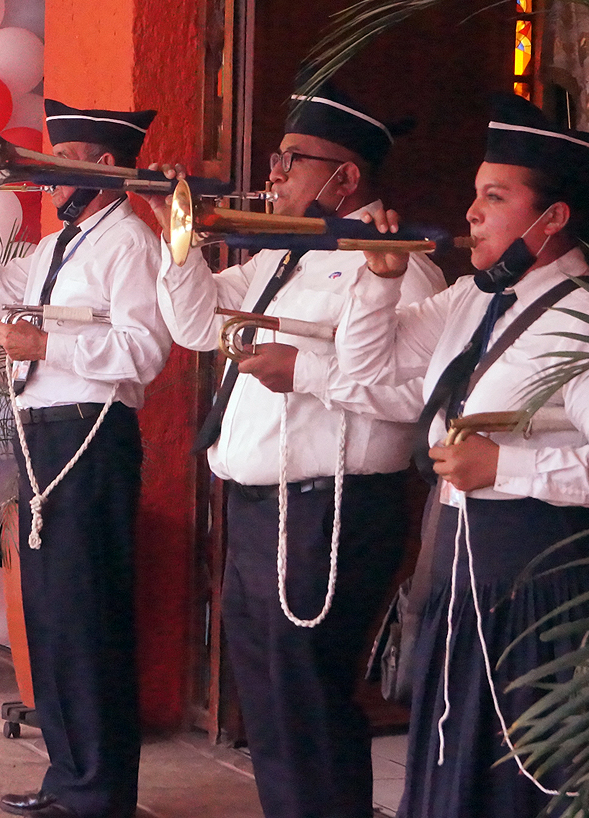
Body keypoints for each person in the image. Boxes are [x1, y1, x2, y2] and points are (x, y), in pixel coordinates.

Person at [334, 94, 589, 818]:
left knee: (518, 780)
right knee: (454, 766)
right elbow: (362, 372)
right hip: (461, 570)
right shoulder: (466, 300)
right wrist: (380, 279)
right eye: (476, 193)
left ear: (552, 219)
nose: (473, 211)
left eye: (495, 195)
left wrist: (507, 468)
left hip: (544, 588)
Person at [143, 78, 443, 818]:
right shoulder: (290, 255)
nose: (272, 173)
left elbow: (415, 399)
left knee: (307, 698)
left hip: (328, 509)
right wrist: (175, 238)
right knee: (270, 703)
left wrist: (304, 371)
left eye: (291, 159)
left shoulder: (399, 263)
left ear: (344, 179)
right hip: (261, 507)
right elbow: (194, 324)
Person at [0, 99, 173, 818]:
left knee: (88, 616)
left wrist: (48, 347)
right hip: (45, 432)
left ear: (103, 167)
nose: (44, 180)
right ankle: (69, 777)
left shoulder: (130, 241)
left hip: (89, 434)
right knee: (54, 617)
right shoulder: (60, 244)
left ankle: (98, 792)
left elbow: (147, 350)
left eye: (57, 166)